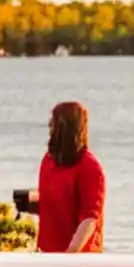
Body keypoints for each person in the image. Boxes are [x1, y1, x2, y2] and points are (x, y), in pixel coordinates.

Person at [36, 101, 106, 254]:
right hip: (48, 253)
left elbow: (90, 217)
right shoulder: (48, 161)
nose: (49, 126)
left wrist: (72, 252)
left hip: (79, 257)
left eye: (54, 122)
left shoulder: (89, 166)